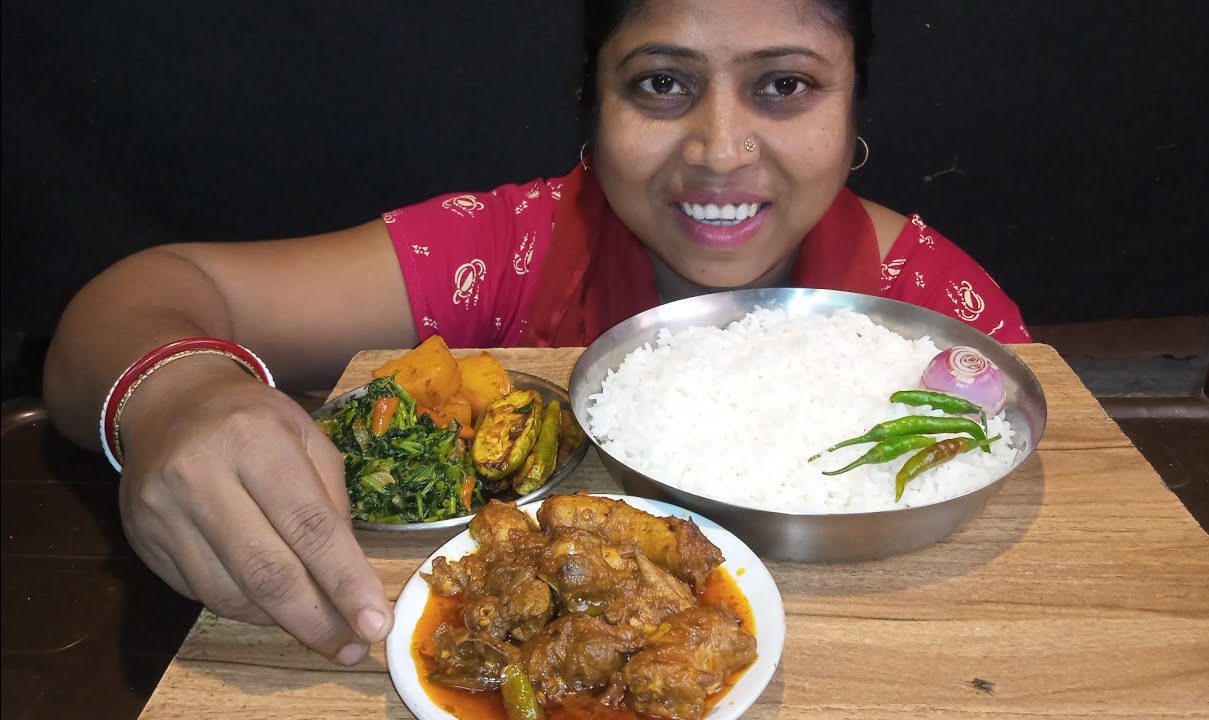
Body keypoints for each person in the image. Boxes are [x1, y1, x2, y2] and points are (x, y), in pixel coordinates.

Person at [43, 0, 1030, 667]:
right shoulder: (499, 246)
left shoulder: (938, 304)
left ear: (852, 104)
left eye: (784, 86)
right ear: (588, 107)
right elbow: (144, 294)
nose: (719, 147)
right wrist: (177, 396)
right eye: (658, 84)